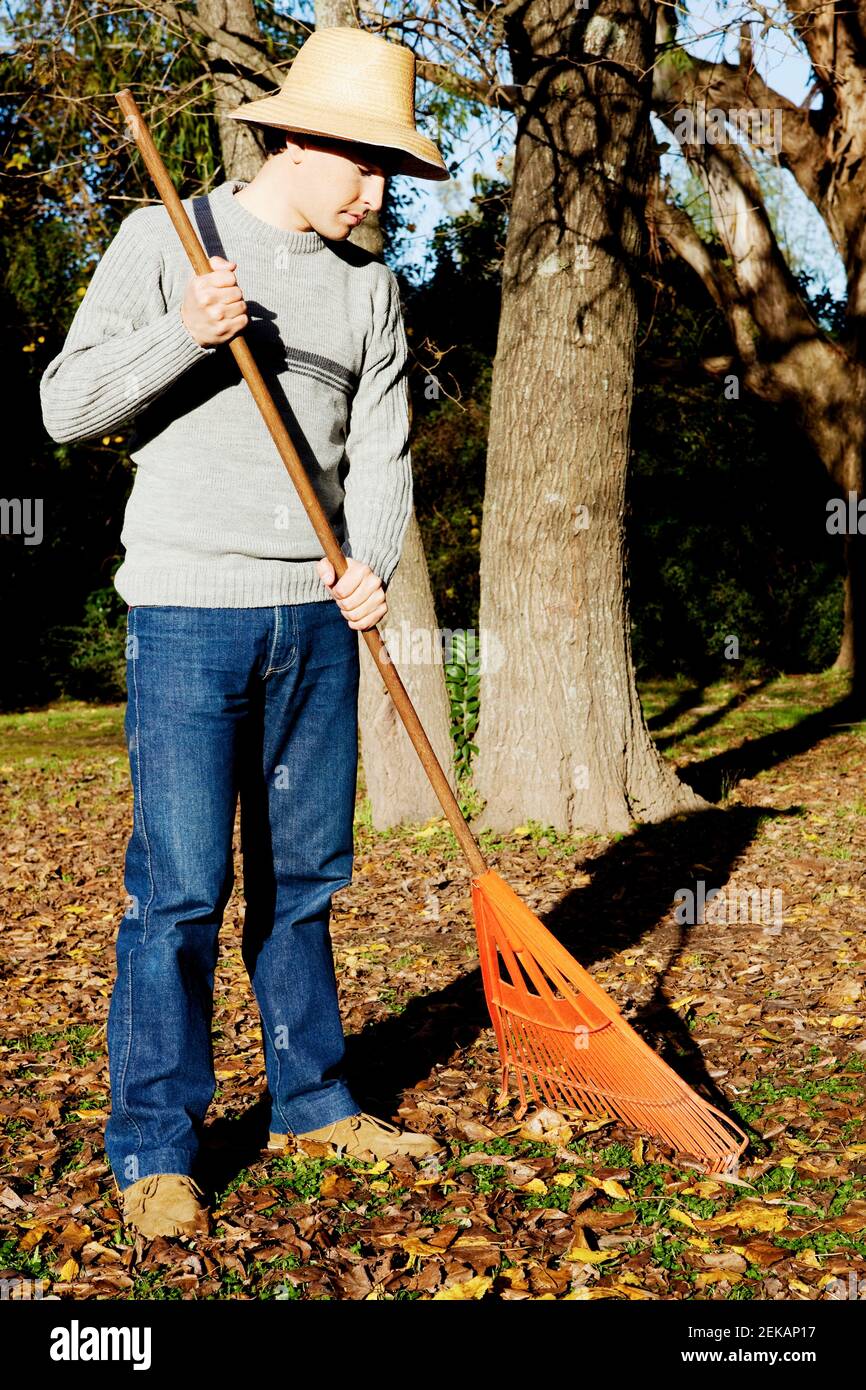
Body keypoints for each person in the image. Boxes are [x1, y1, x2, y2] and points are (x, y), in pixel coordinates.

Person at [39, 27, 451, 1239]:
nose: (378, 193)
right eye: (368, 165)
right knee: (179, 888)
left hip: (316, 621)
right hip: (185, 615)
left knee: (305, 877)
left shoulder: (369, 291)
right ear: (300, 140)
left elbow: (382, 454)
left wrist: (370, 566)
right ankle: (155, 1146)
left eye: (389, 171)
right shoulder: (168, 238)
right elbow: (64, 406)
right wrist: (184, 329)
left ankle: (312, 1101)